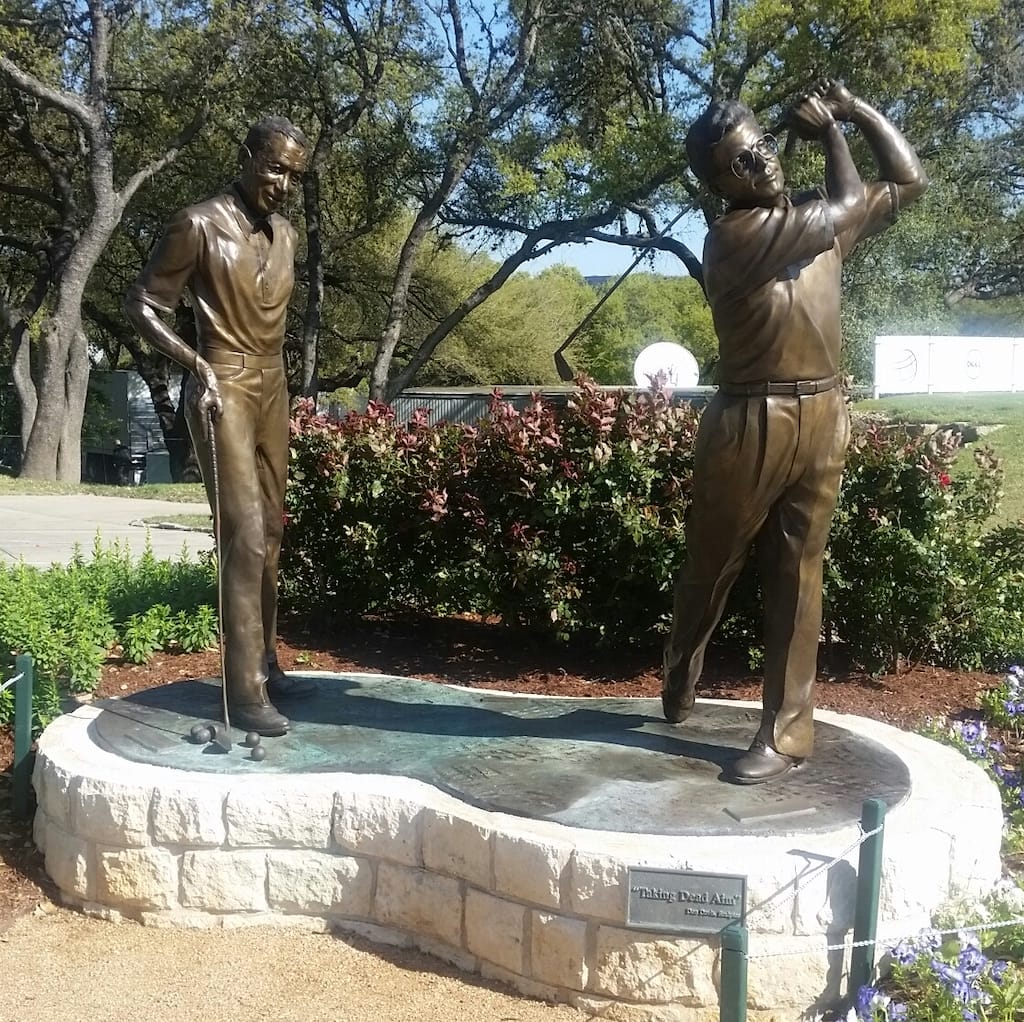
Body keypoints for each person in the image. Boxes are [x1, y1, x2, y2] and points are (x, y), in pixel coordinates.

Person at [662, 82, 927, 782]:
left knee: (798, 573)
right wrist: (832, 132)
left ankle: (784, 735)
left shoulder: (816, 219)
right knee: (712, 568)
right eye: (741, 164)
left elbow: (908, 178)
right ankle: (681, 663)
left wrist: (857, 110)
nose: (761, 165)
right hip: (751, 419)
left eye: (762, 149)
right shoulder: (733, 237)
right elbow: (845, 204)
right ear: (720, 184)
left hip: (823, 415)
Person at [125, 116, 315, 736]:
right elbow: (144, 306)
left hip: (273, 385)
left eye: (293, 174)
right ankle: (245, 689)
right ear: (247, 157)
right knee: (244, 531)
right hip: (221, 383)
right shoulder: (197, 223)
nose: (283, 183)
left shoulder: (287, 236)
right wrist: (196, 364)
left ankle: (266, 658)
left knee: (274, 531)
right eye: (274, 167)